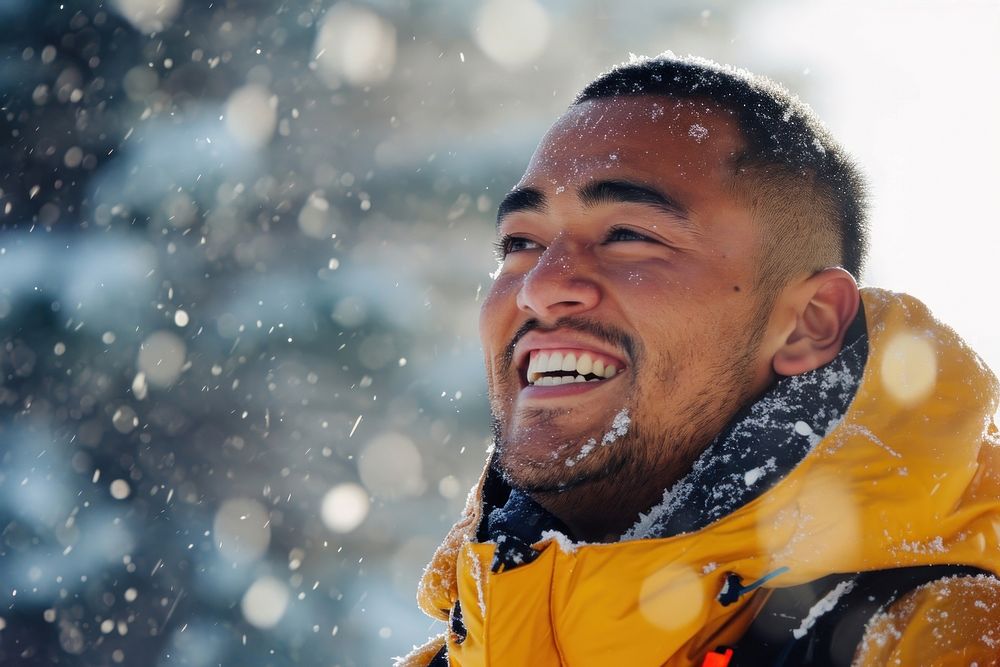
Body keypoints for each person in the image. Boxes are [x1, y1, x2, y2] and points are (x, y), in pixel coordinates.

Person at [399, 54, 1000, 666]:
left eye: (628, 234)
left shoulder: (943, 641)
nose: (539, 287)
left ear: (809, 323)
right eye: (521, 243)